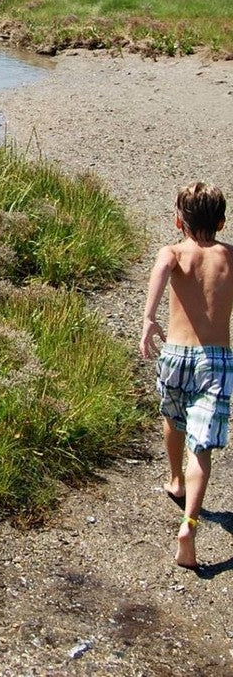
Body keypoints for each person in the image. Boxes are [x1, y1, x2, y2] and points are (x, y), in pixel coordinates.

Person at [140, 182, 233, 570]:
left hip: (177, 354)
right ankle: (189, 525)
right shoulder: (230, 257)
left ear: (178, 221)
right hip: (216, 360)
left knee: (172, 417)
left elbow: (161, 271)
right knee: (204, 445)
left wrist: (148, 318)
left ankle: (175, 479)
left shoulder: (173, 252)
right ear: (223, 221)